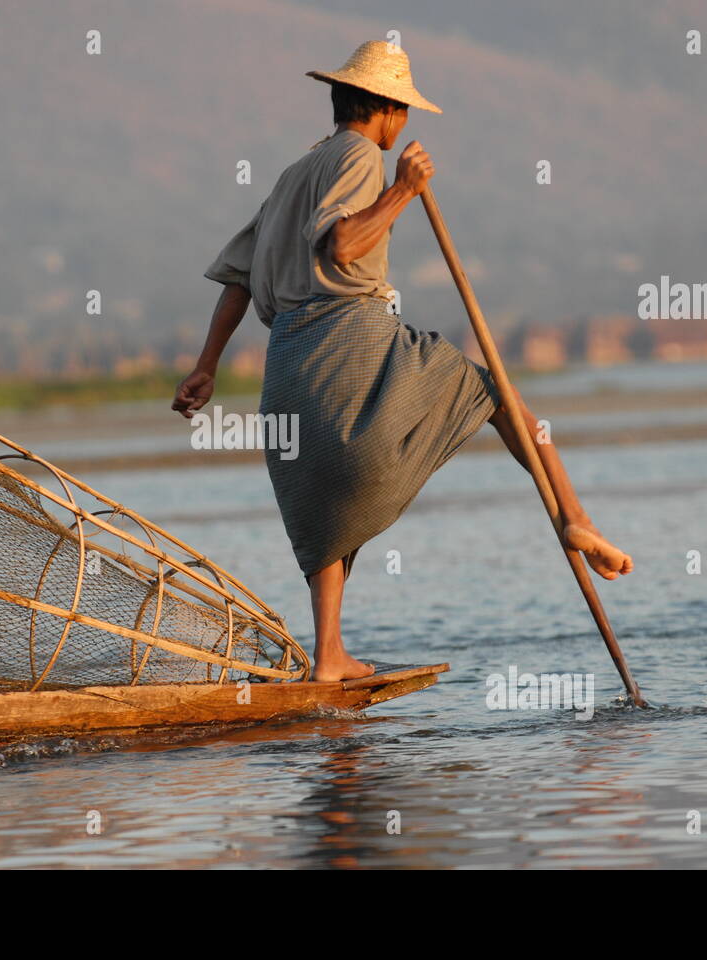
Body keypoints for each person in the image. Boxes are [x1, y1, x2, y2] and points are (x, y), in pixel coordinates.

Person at [173, 41, 632, 682]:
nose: (404, 126)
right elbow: (341, 245)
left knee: (323, 505)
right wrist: (404, 192)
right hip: (348, 342)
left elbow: (238, 280)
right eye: (404, 112)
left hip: (287, 368)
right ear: (386, 110)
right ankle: (575, 517)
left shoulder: (293, 174)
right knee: (493, 391)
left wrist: (207, 366)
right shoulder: (358, 155)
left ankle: (328, 655)